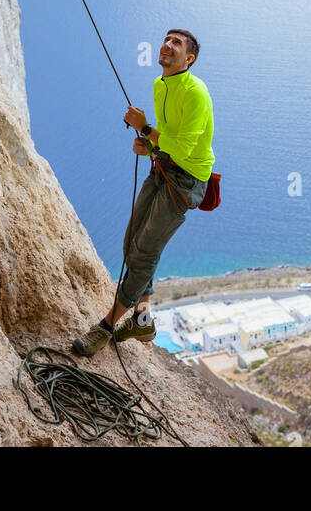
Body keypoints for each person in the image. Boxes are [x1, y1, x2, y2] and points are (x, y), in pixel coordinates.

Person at [72, 27, 214, 358]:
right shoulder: (160, 85)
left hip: (186, 182)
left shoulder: (195, 93)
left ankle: (104, 328)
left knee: (144, 254)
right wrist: (149, 145)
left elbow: (184, 146)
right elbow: (167, 138)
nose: (166, 45)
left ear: (188, 58)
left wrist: (147, 129)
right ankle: (142, 319)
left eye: (176, 43)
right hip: (164, 166)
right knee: (131, 241)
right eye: (166, 40)